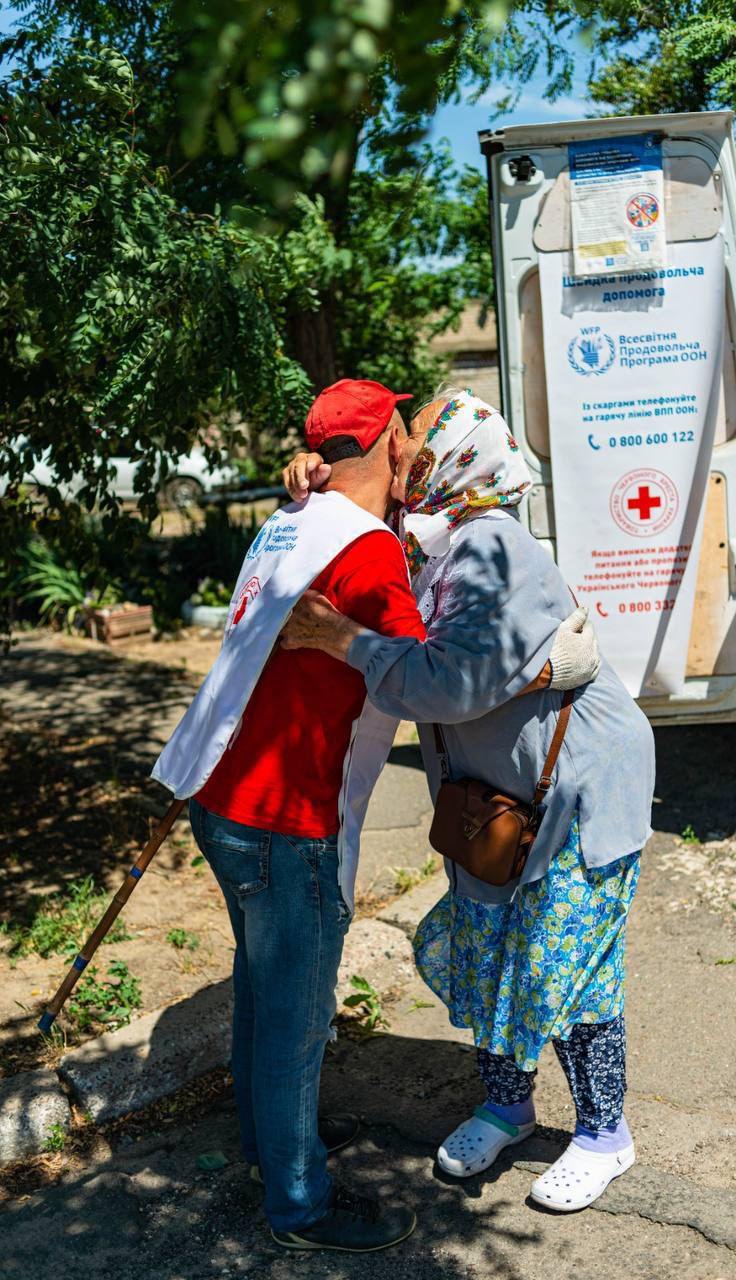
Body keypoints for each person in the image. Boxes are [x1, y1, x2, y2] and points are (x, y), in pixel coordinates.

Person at [281, 388, 656, 1212]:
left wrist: (339, 639)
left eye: (416, 443)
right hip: (500, 801)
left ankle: (603, 1135)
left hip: (580, 796)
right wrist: (313, 483)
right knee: (488, 953)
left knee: (567, 964)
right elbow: (365, 557)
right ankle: (506, 1107)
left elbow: (449, 684)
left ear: (457, 459)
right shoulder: (432, 543)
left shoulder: (492, 546)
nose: (403, 454)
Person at [153, 379, 427, 1253]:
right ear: (386, 441)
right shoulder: (370, 549)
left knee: (264, 989)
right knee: (296, 1017)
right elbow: (422, 677)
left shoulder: (294, 518)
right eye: (408, 427)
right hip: (286, 817)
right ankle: (299, 1203)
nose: (416, 440)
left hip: (223, 797)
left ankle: (272, 1143)